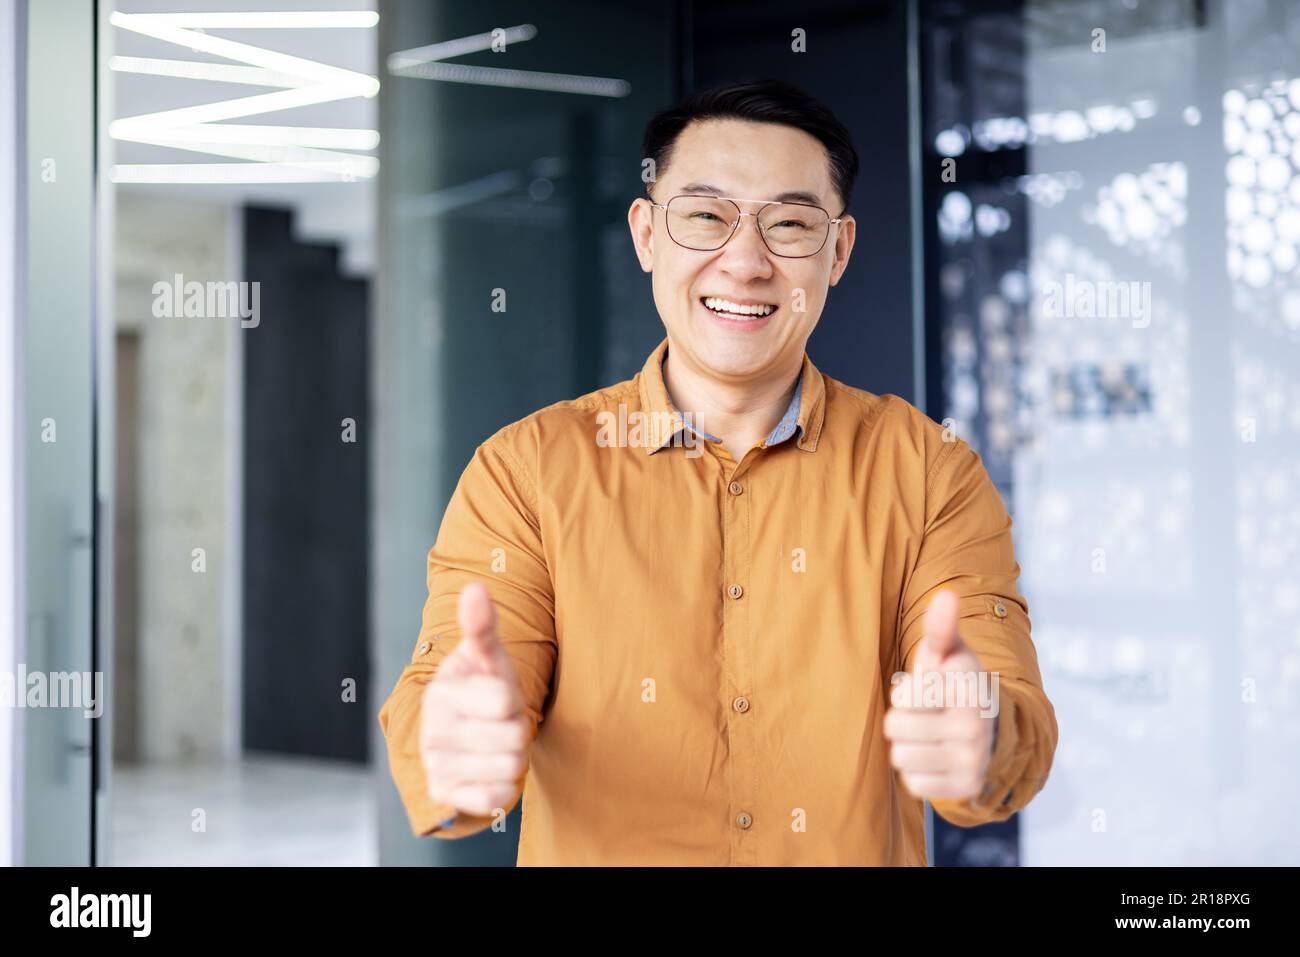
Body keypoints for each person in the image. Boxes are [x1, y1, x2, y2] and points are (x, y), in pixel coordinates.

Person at [378, 78, 1058, 866]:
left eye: (791, 225)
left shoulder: (930, 470)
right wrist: (455, 737)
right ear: (645, 235)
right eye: (705, 216)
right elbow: (445, 704)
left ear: (837, 251)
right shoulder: (524, 471)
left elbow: (1016, 720)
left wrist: (978, 726)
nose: (744, 261)